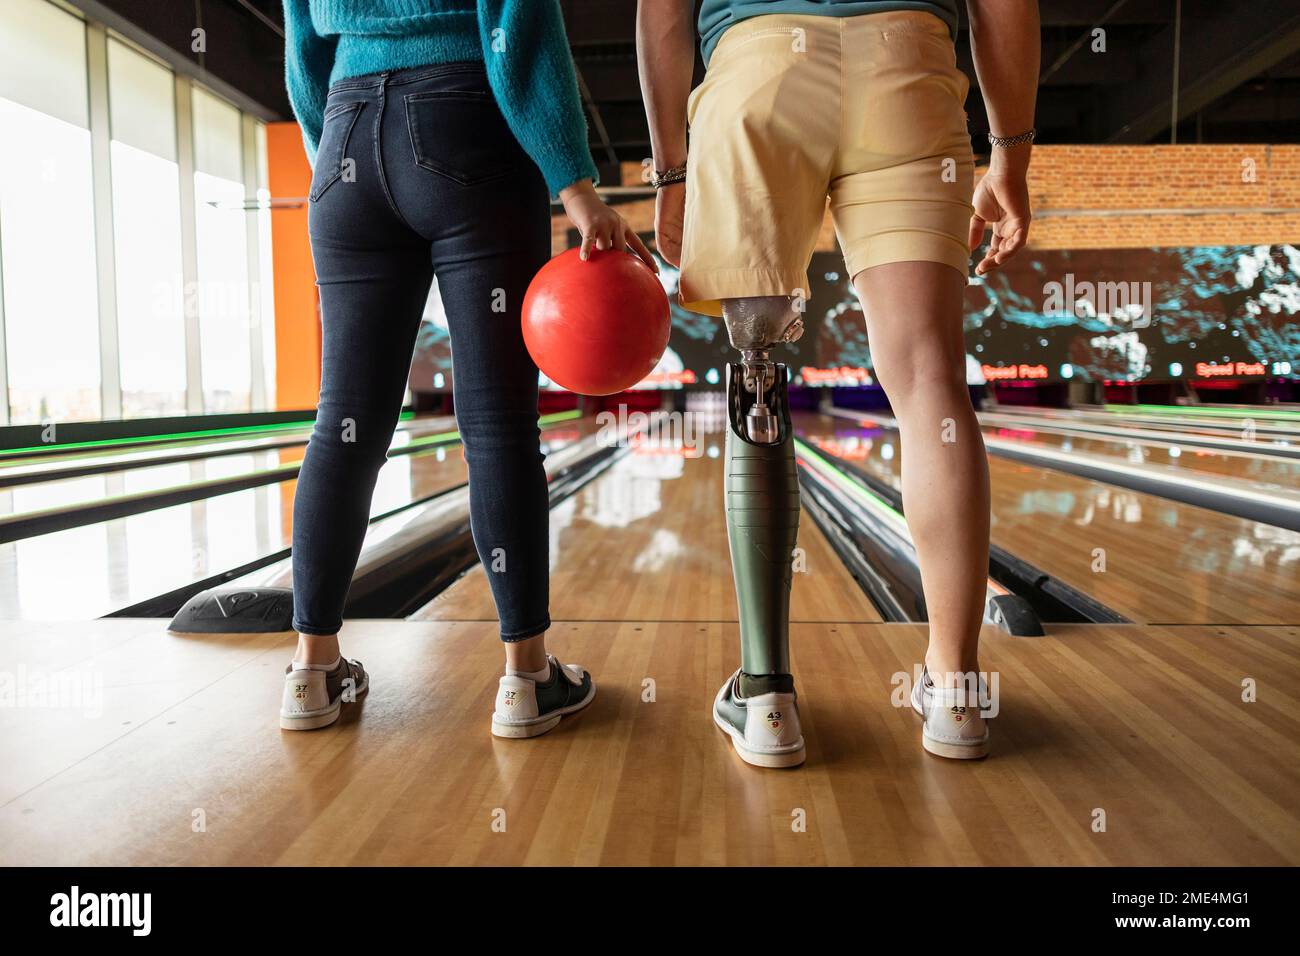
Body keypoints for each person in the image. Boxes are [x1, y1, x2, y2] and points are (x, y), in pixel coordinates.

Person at [636, 0, 1038, 765]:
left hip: (757, 74)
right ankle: (955, 689)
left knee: (756, 374)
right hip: (908, 66)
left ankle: (768, 701)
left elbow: (661, 12)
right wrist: (1010, 155)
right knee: (929, 384)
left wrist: (672, 172)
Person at [278, 0, 655, 736]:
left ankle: (311, 673)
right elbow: (522, 26)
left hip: (347, 135)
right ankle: (526, 680)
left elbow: (301, 44)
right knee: (497, 426)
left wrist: (340, 153)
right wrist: (575, 184)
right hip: (467, 119)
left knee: (344, 424)